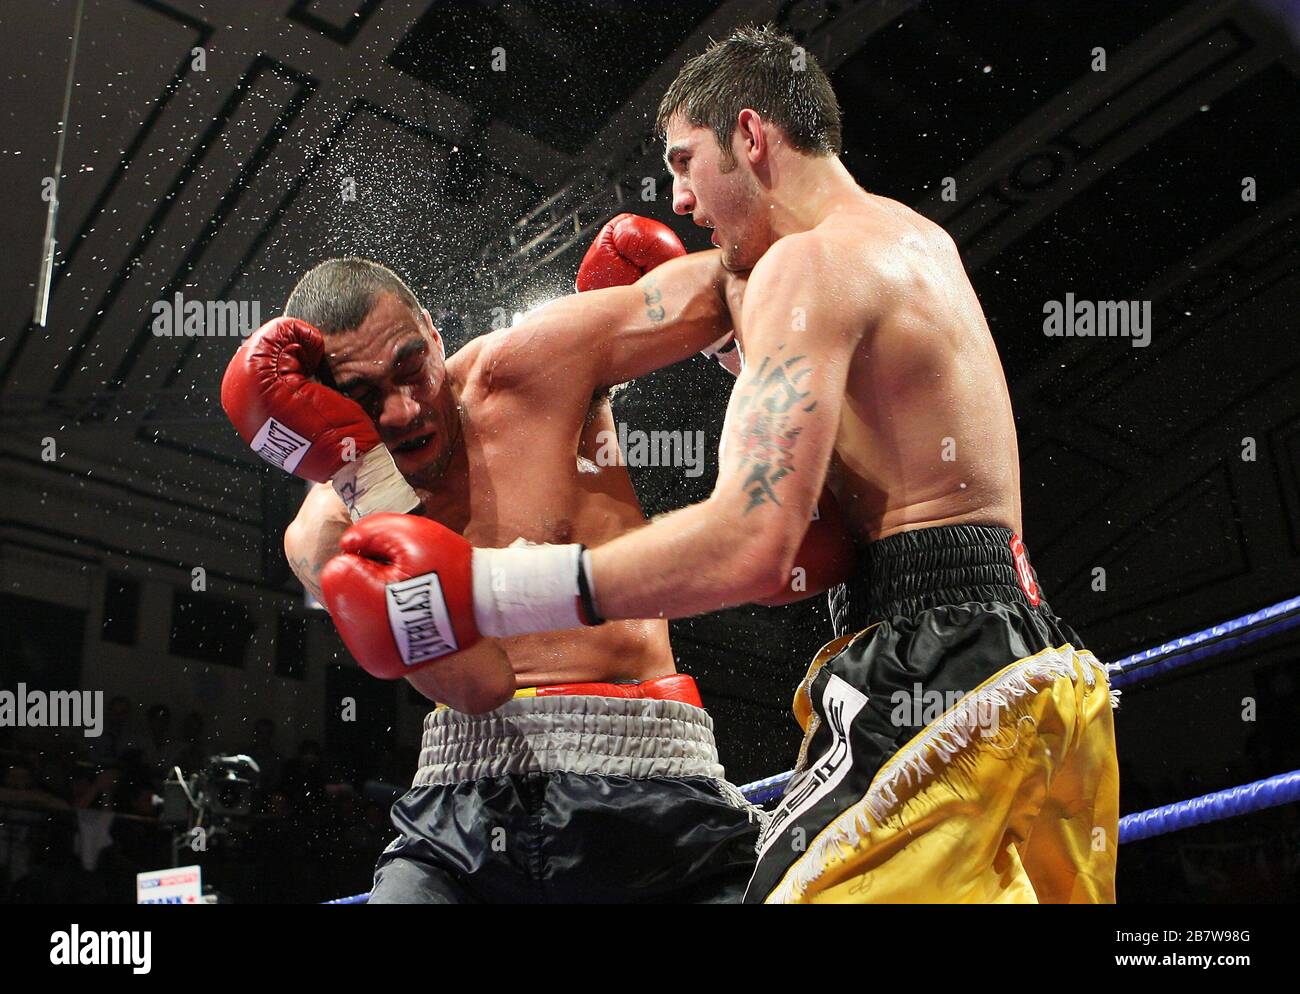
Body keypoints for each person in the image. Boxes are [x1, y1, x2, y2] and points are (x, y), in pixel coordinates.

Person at [331, 24, 1119, 904]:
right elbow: (819, 527)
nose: (680, 197)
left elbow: (749, 540)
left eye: (684, 159)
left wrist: (484, 591)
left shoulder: (805, 265)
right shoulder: (911, 238)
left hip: (940, 668)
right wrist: (732, 356)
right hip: (1036, 659)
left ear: (749, 136)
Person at [221, 223, 849, 902]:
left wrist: (729, 348)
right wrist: (370, 486)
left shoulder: (531, 368)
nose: (402, 408)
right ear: (325, 404)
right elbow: (477, 687)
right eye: (364, 397)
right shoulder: (324, 537)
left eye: (410, 367)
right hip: (459, 803)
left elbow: (743, 280)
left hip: (648, 777)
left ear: (434, 333)